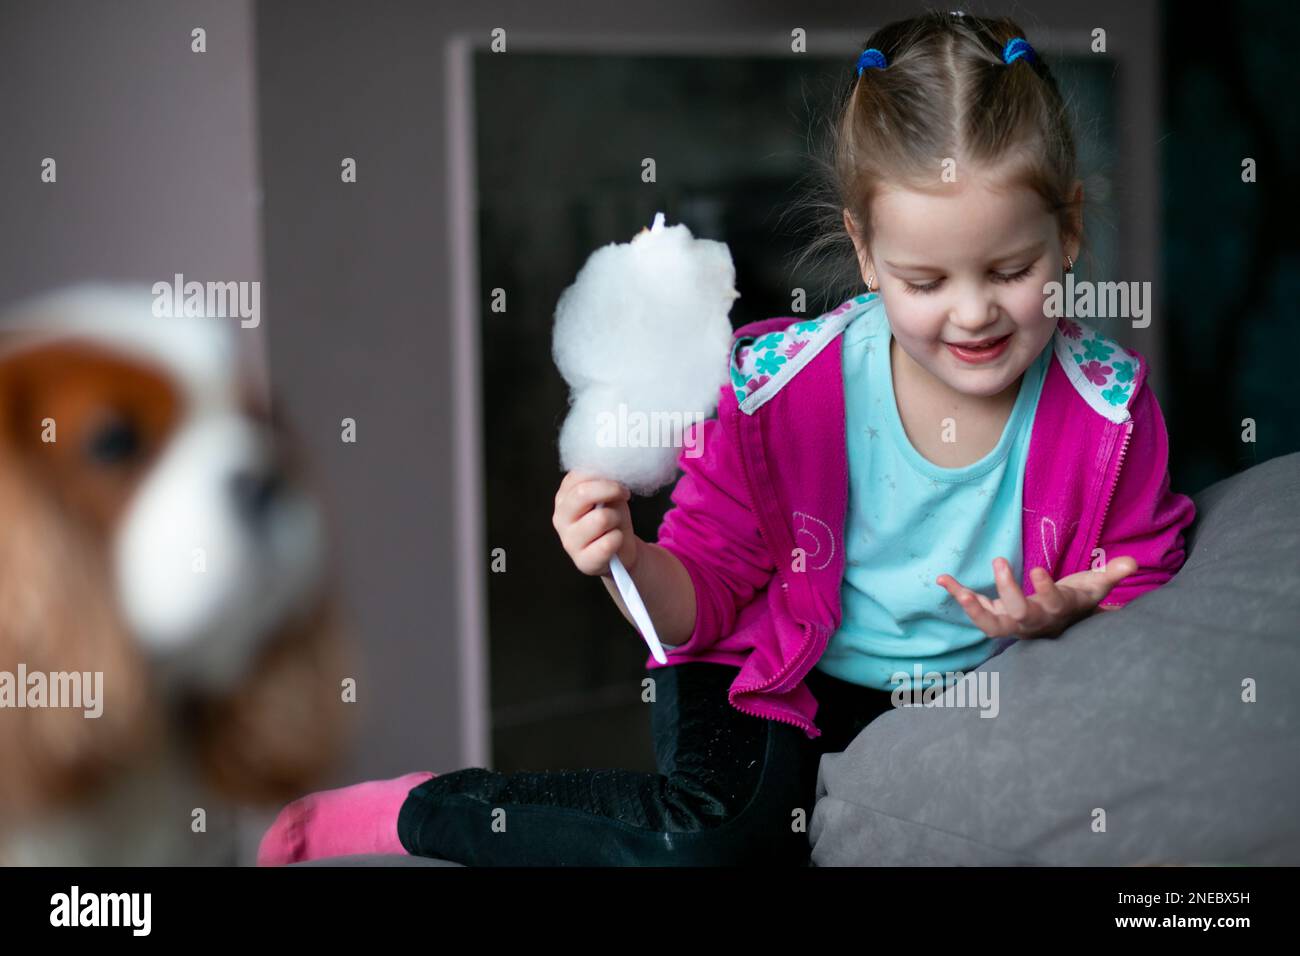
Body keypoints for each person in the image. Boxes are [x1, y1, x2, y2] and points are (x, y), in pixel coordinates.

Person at [257, 10, 1195, 867]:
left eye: (1010, 268)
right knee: (703, 843)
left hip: (955, 696)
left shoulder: (1108, 412)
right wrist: (624, 556)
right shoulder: (774, 389)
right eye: (924, 280)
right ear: (865, 253)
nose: (974, 313)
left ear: (1069, 228)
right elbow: (697, 608)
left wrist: (1070, 606)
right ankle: (424, 813)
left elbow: (1146, 570)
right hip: (765, 667)